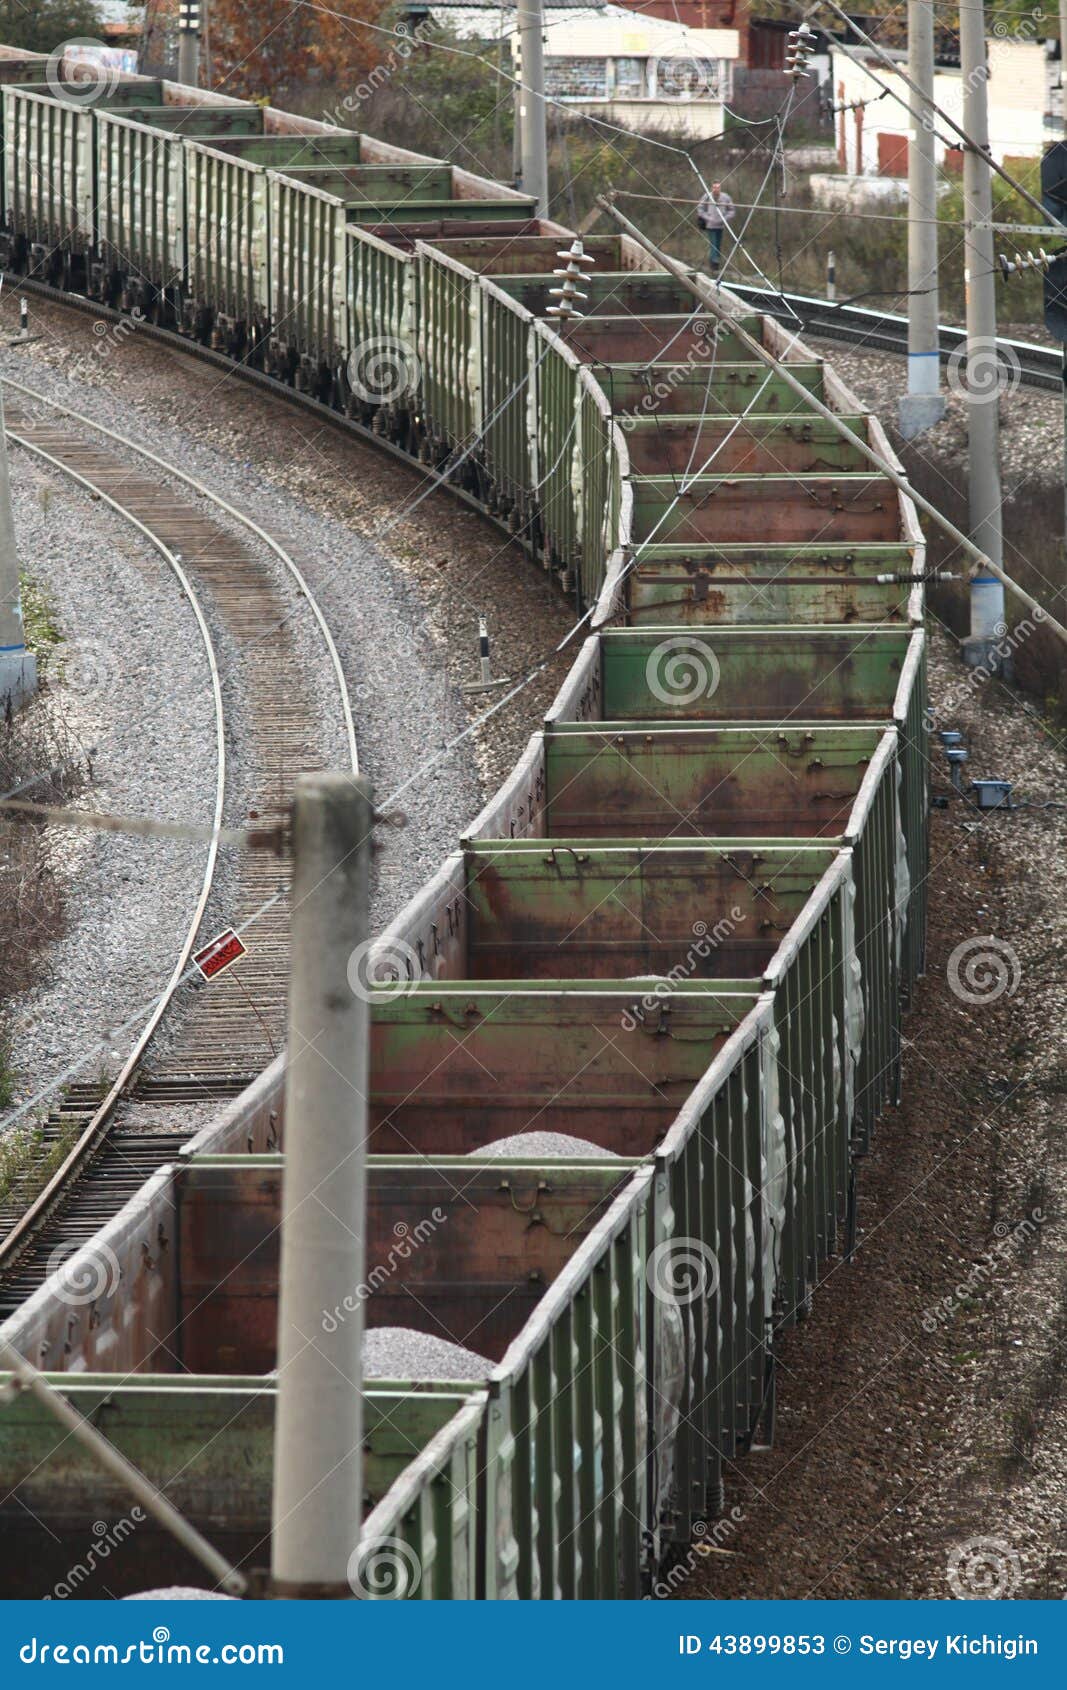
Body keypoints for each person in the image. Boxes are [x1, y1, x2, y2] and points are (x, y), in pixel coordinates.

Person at [696, 182, 735, 272]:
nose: (716, 189)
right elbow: (700, 208)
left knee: (717, 244)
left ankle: (715, 263)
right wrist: (708, 217)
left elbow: (732, 211)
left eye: (718, 187)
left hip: (720, 225)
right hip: (710, 225)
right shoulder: (707, 196)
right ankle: (714, 264)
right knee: (713, 244)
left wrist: (724, 218)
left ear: (720, 188)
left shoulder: (725, 197)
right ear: (712, 188)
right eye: (714, 187)